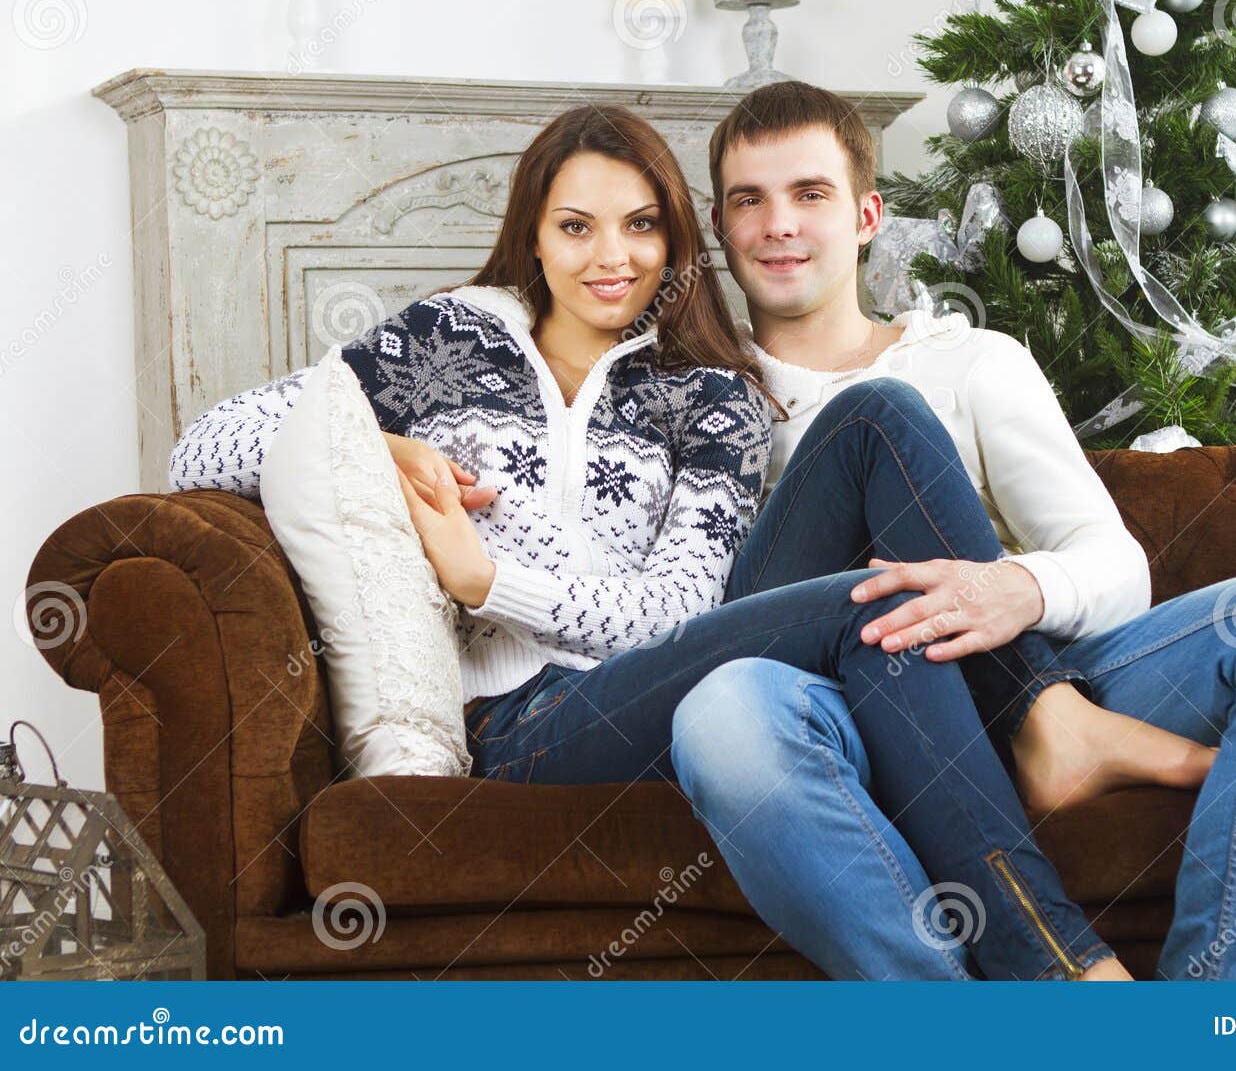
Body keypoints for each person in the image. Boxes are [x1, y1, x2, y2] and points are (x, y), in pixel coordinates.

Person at [169, 102, 1114, 982]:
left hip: (655, 685)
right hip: (519, 724)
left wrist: (487, 577)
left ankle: (1038, 925)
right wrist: (381, 443)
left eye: (641, 225)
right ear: (533, 236)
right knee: (883, 596)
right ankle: (1066, 956)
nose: (609, 257)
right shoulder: (441, 342)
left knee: (877, 442)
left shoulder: (710, 393)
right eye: (575, 226)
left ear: (677, 240)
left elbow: (676, 615)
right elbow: (201, 450)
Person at [666, 80, 1236, 981]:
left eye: (809, 194)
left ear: (866, 215)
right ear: (719, 225)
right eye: (751, 201)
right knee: (726, 714)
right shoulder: (692, 398)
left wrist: (1013, 587)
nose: (780, 224)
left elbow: (1114, 564)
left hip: (1050, 669)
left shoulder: (968, 360)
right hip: (847, 712)